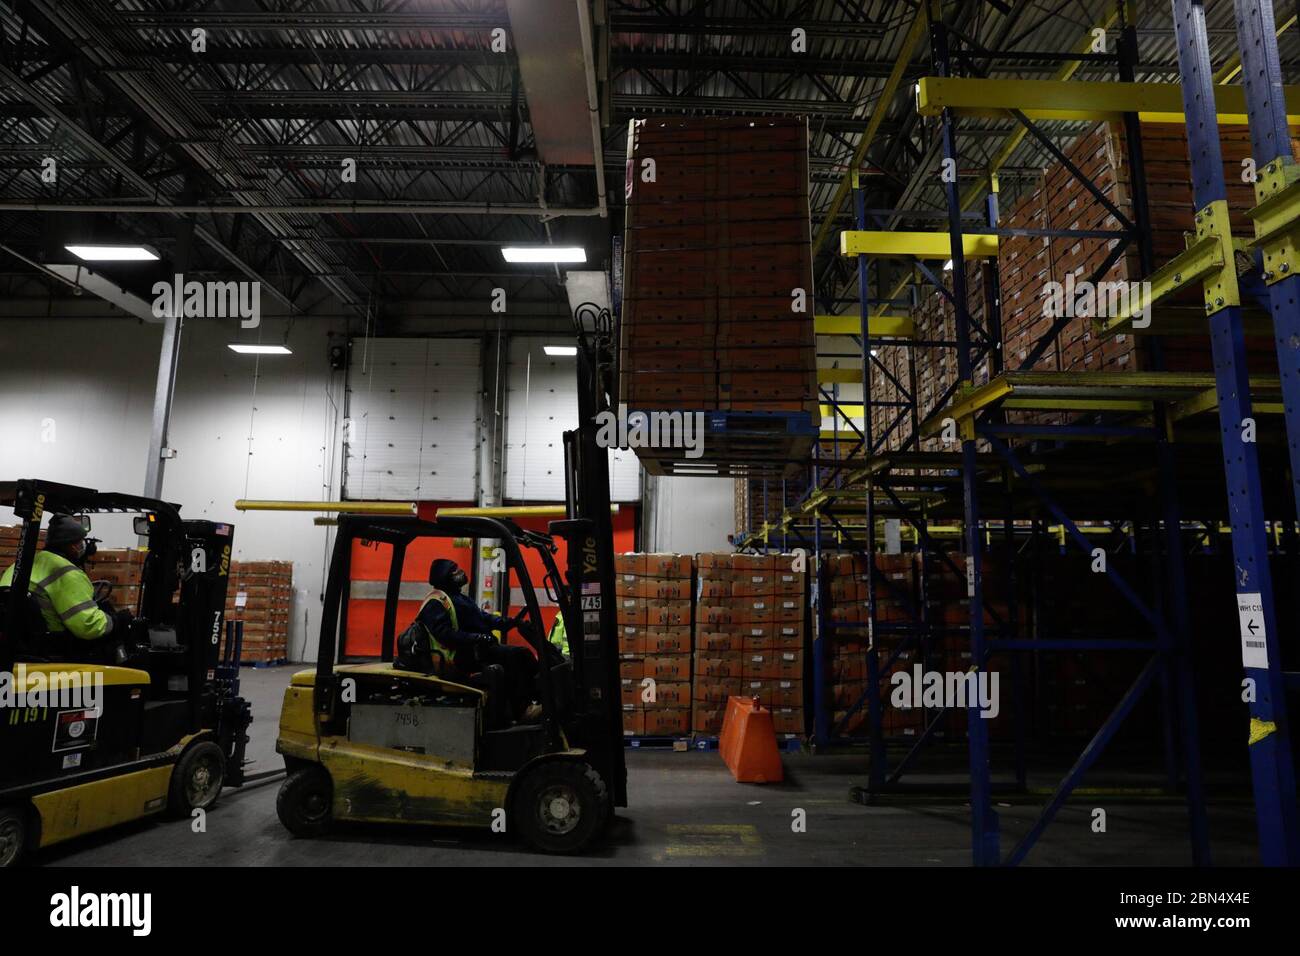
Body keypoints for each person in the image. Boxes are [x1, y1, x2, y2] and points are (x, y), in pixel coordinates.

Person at [400, 558, 541, 721]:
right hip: (458, 657)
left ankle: (531, 700)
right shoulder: (436, 602)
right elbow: (445, 635)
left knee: (522, 657)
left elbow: (482, 618)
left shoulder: (459, 598)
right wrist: (476, 638)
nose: (460, 573)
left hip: (473, 650)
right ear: (444, 575)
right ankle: (523, 710)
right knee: (517, 655)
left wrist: (509, 622)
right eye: (454, 571)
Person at [0, 514, 126, 650]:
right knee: (116, 639)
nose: (83, 545)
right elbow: (87, 625)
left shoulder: (21, 565)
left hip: (20, 642)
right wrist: (117, 620)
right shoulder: (67, 572)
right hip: (53, 644)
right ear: (73, 546)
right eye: (81, 541)